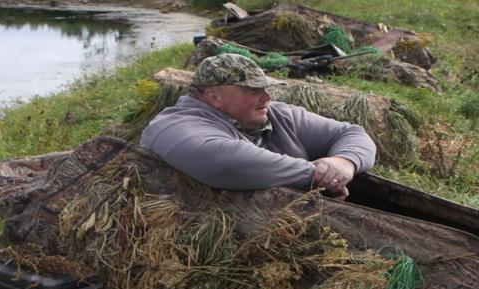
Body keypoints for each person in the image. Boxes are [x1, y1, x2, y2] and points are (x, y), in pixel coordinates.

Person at [141, 53, 376, 200]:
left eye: (265, 88)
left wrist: (344, 162)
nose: (266, 97)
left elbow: (351, 133)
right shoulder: (174, 126)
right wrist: (316, 176)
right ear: (214, 97)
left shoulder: (278, 114)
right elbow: (226, 163)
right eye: (252, 91)